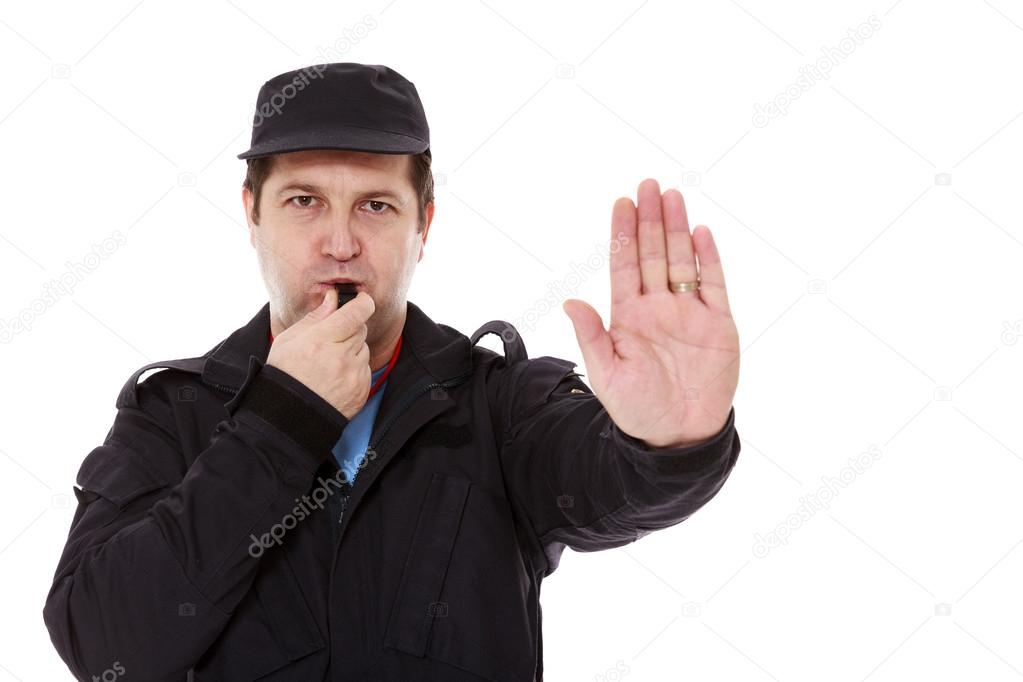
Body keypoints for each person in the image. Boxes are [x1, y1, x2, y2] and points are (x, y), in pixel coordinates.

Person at [42, 62, 742, 681]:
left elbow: (607, 485)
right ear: (252, 213)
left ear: (423, 225)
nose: (340, 242)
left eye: (375, 206)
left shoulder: (501, 405)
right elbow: (107, 647)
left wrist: (669, 442)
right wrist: (277, 425)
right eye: (303, 201)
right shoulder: (174, 414)